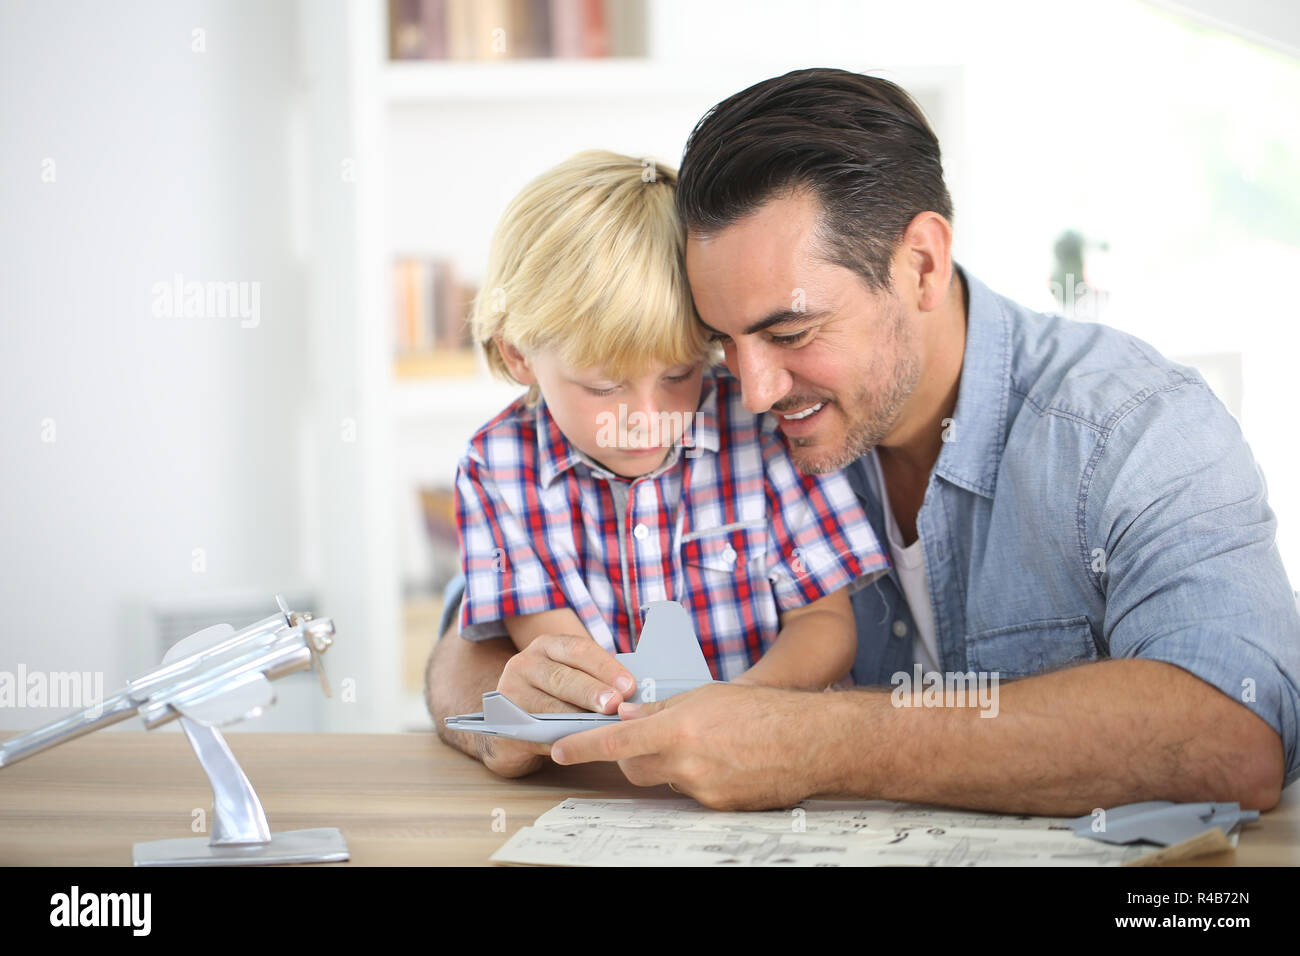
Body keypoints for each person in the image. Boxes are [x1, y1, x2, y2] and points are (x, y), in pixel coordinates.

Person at [428, 70, 1300, 813]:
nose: (754, 390)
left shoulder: (1134, 429)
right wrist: (501, 714)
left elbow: (1238, 733)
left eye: (792, 331)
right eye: (723, 343)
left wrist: (820, 741)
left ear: (920, 263)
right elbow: (466, 649)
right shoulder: (712, 420)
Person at [438, 150, 891, 769]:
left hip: (775, 768)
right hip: (614, 777)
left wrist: (740, 709)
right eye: (604, 388)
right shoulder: (498, 467)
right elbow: (562, 659)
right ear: (518, 357)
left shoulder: (759, 425)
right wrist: (637, 724)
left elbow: (825, 620)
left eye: (681, 374)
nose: (647, 417)